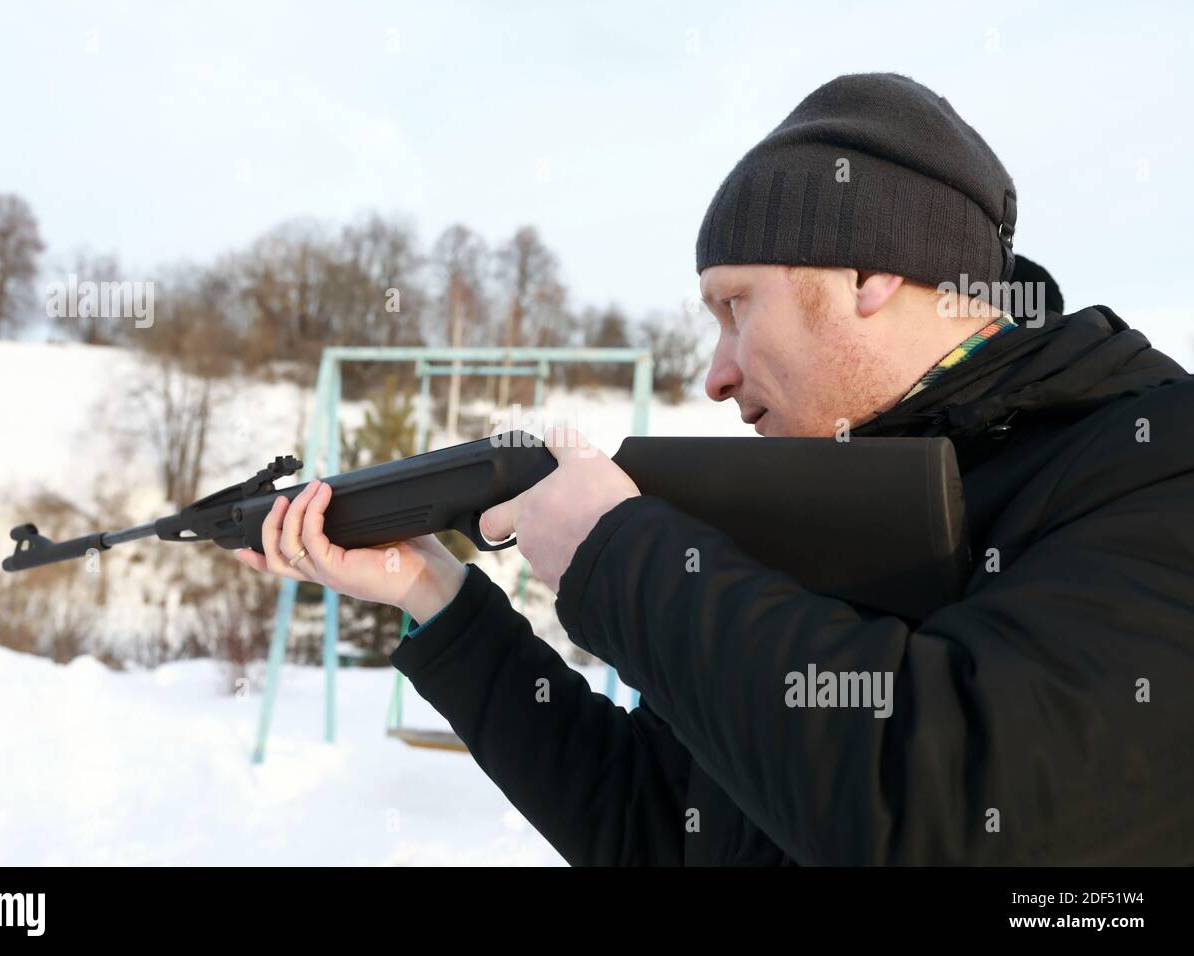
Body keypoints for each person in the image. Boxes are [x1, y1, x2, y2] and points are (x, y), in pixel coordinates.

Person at [235, 73, 1194, 865]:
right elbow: (656, 824)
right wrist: (439, 598)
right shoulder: (825, 506)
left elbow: (959, 814)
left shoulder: (1153, 463)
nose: (717, 372)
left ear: (871, 274)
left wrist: (620, 558)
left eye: (737, 306)